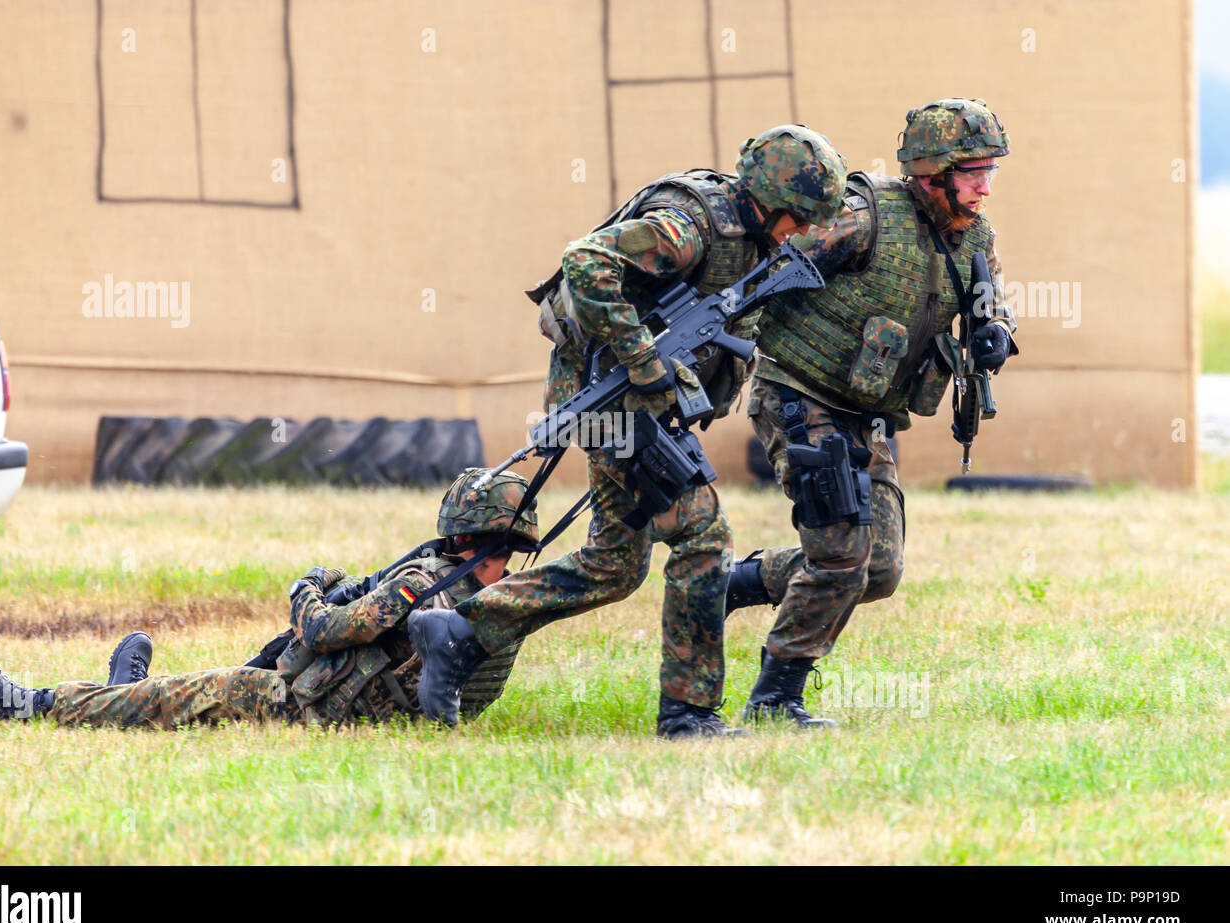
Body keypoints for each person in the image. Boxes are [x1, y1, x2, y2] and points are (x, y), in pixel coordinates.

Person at [407, 126, 849, 738]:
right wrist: (645, 361)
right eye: (798, 217)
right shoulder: (689, 224)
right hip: (608, 392)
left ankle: (460, 630)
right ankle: (687, 715)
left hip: (639, 398)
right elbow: (585, 260)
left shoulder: (755, 237)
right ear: (768, 199)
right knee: (703, 536)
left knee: (614, 566)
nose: (801, 231)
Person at [726, 98, 1019, 727]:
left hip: (867, 414)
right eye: (972, 172)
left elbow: (991, 295)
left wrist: (995, 327)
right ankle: (776, 698)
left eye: (991, 171)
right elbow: (769, 270)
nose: (985, 186)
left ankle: (733, 582)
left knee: (878, 568)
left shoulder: (976, 236)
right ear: (931, 172)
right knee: (841, 554)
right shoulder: (865, 216)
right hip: (801, 392)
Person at [0, 469, 538, 728]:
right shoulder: (506, 606)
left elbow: (324, 631)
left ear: (463, 527)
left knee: (194, 693)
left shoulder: (426, 583)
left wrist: (306, 589)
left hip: (317, 710)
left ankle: (26, 704)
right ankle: (124, 692)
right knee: (184, 698)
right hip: (353, 709)